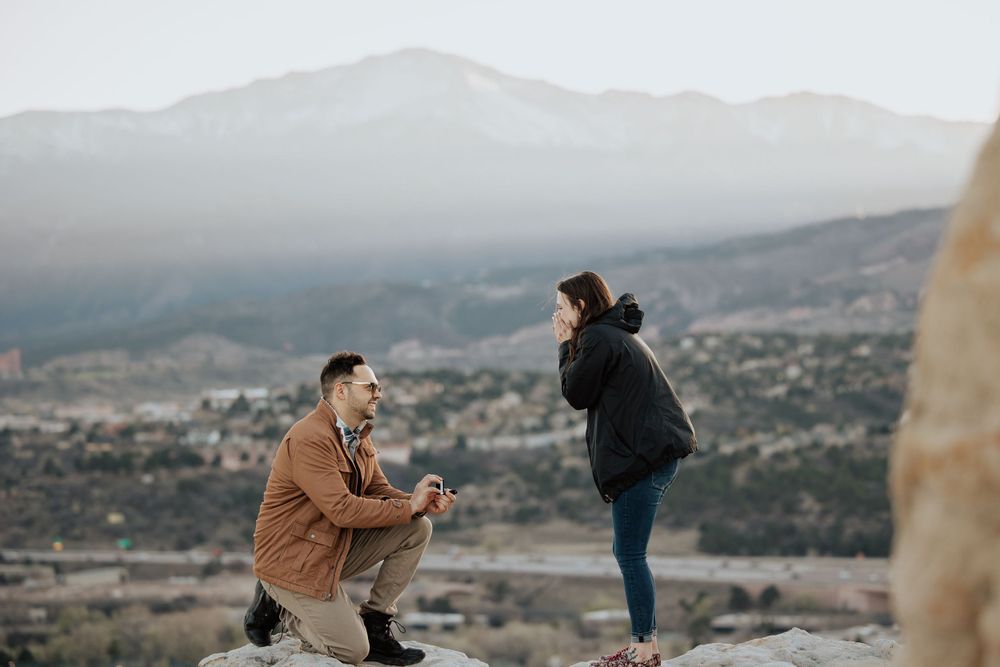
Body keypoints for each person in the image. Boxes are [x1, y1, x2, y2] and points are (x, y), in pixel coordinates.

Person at [243, 351, 456, 666]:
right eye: (370, 386)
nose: (379, 394)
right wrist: (409, 505)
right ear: (341, 390)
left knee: (417, 527)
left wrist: (420, 502)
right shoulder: (310, 438)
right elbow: (341, 510)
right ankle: (286, 610)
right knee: (353, 651)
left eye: (378, 387)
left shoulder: (357, 436)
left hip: (328, 549)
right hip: (291, 561)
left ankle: (375, 621)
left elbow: (378, 490)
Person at [553, 271, 697, 667]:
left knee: (631, 555)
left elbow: (576, 394)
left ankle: (645, 650)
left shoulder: (598, 337)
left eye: (562, 307)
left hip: (643, 460)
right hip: (652, 456)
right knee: (627, 551)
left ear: (580, 306)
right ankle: (643, 645)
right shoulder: (612, 333)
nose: (558, 315)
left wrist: (565, 346)